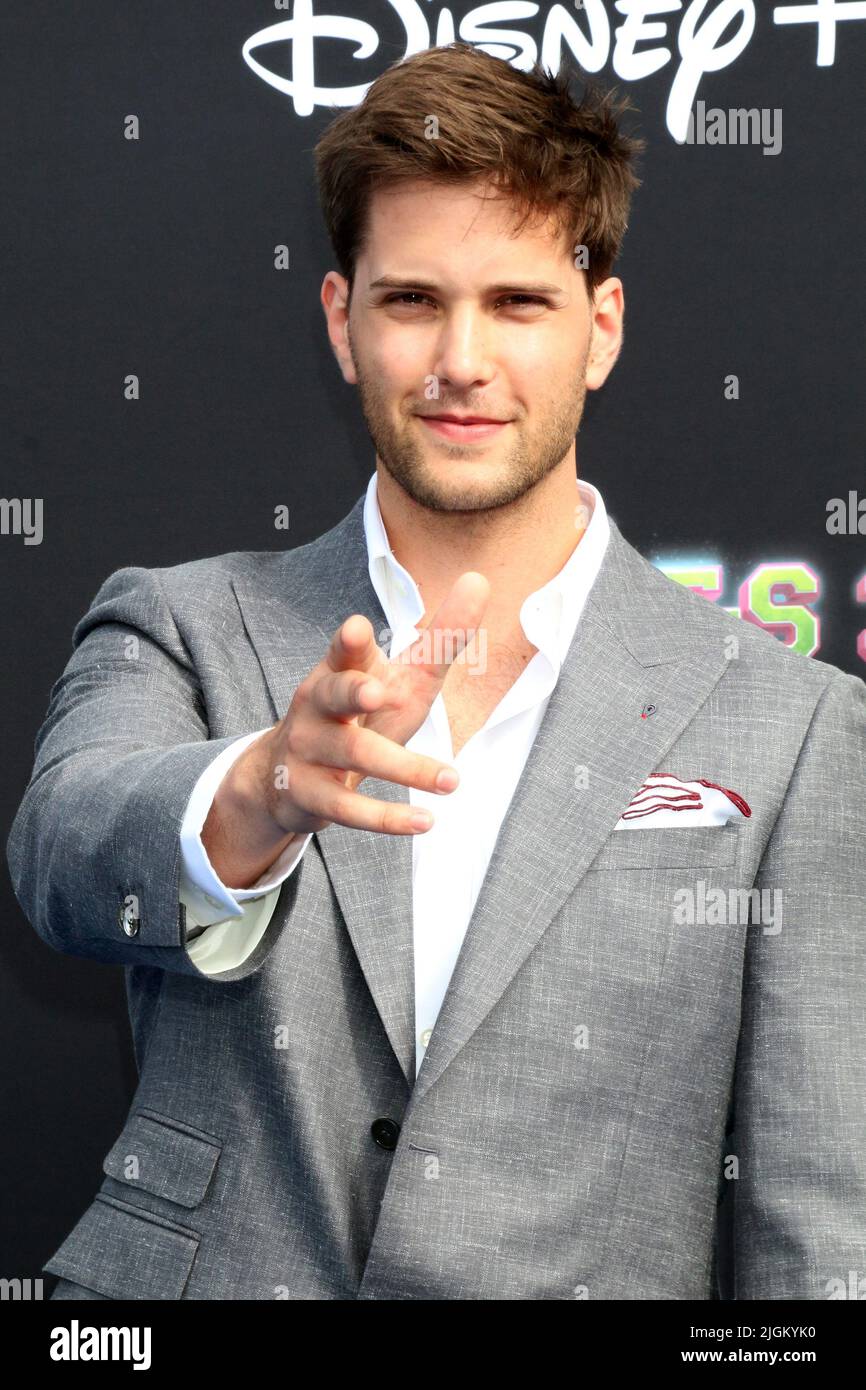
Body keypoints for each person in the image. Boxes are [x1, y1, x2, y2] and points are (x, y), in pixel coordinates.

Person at [8, 42, 866, 1301]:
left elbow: (817, 1232)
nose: (461, 357)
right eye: (411, 300)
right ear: (340, 324)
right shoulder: (184, 624)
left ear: (599, 329)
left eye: (517, 303)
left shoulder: (790, 729)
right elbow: (64, 853)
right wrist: (256, 794)